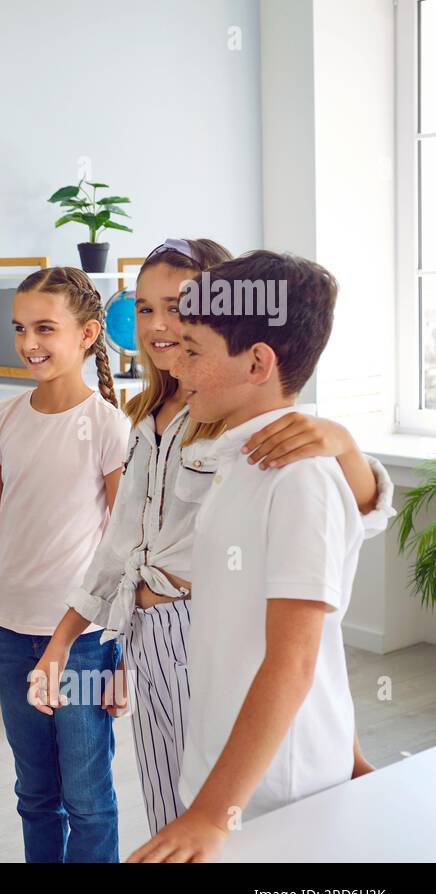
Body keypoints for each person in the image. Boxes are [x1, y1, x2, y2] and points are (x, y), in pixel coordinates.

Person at [129, 251, 396, 863]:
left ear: (257, 362)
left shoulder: (300, 478)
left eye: (192, 350)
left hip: (279, 793)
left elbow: (296, 659)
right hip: (232, 781)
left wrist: (209, 815)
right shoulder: (237, 460)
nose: (175, 364)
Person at [0, 266, 130, 863]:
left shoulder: (110, 427)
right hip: (8, 634)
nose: (29, 342)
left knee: (86, 797)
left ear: (87, 334)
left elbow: (124, 551)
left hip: (82, 641)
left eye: (44, 328)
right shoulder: (3, 421)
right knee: (35, 794)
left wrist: (125, 656)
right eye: (19, 328)